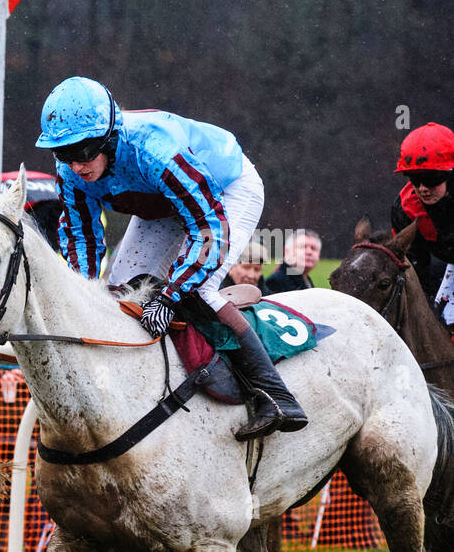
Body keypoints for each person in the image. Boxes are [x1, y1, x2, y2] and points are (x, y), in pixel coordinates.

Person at [35, 75, 306, 440]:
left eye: (84, 150)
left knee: (198, 289)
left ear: (108, 136)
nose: (77, 164)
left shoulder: (156, 150)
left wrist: (169, 295)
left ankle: (275, 396)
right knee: (119, 293)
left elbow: (209, 229)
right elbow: (81, 239)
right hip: (165, 205)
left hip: (225, 193)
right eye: (64, 153)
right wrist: (78, 298)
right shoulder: (71, 173)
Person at [392, 123, 454, 306]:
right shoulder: (404, 208)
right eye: (415, 180)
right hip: (440, 262)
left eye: (430, 179)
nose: (422, 189)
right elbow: (414, 269)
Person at [263, 229, 321, 294]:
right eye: (302, 247)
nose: (309, 252)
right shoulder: (276, 282)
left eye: (313, 248)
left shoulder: (305, 281)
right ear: (287, 251)